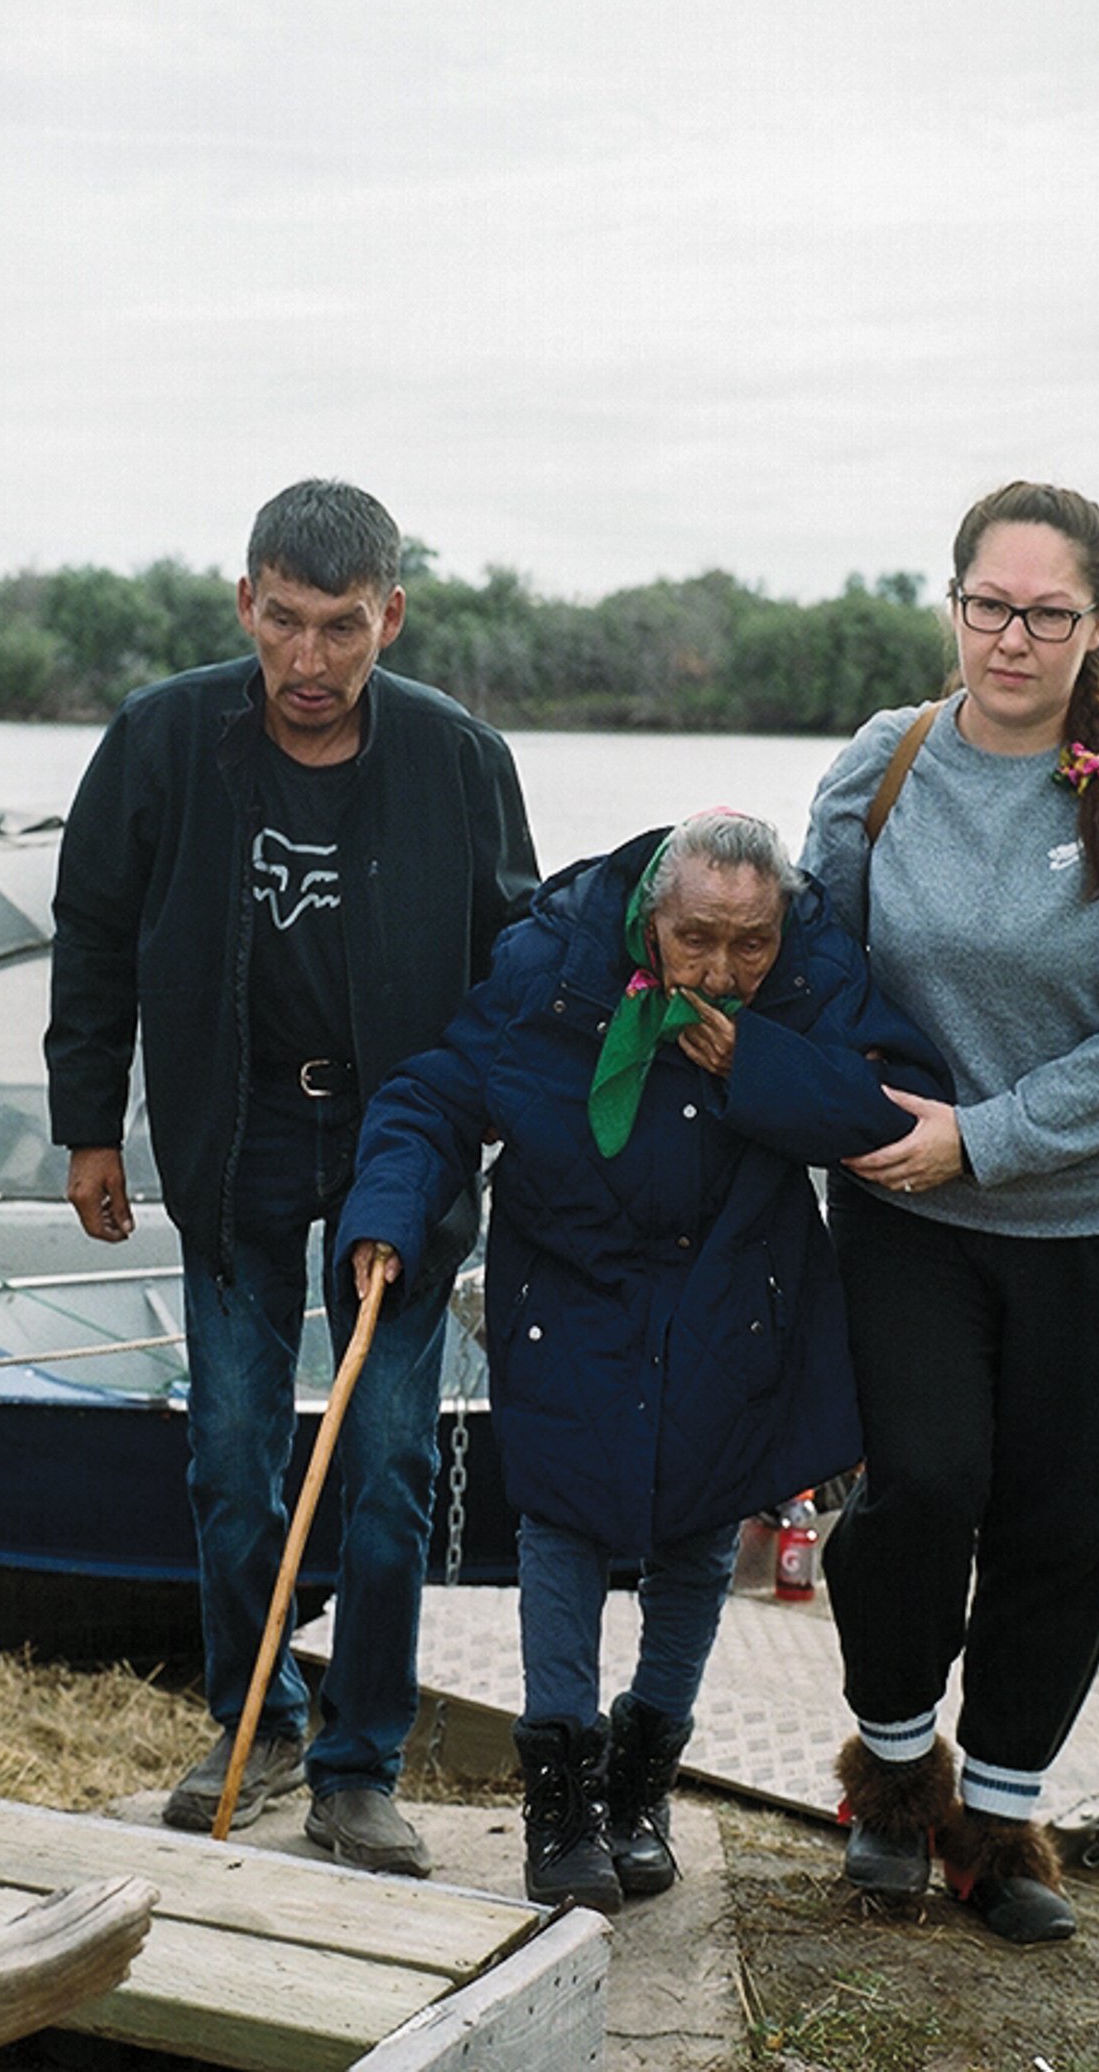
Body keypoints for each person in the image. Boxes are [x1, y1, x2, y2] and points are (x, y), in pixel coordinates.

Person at [44, 479, 537, 1877]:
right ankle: (252, 1725)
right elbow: (91, 930)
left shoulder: (459, 759)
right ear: (241, 600)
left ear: (392, 613)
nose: (307, 663)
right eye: (281, 623)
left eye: (340, 629)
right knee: (229, 1462)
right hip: (231, 1132)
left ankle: (359, 1763)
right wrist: (92, 1124)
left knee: (384, 1465)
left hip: (401, 1141)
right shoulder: (160, 738)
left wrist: (495, 1133)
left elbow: (516, 965)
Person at [336, 810, 946, 1911]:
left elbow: (888, 1109)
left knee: (701, 1531)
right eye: (696, 940)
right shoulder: (549, 961)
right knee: (561, 1526)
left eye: (749, 943)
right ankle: (560, 1803)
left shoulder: (812, 971)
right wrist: (387, 1210)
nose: (721, 969)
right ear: (645, 921)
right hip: (569, 1287)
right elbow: (434, 1095)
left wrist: (752, 1055)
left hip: (728, 1290)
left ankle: (639, 1789)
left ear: (781, 924)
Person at [799, 479, 1099, 1946]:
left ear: (1097, 622)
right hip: (907, 1215)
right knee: (916, 1489)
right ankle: (896, 1774)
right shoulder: (886, 763)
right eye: (991, 604)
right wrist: (851, 1123)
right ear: (955, 602)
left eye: (1050, 613)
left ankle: (997, 1828)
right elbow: (819, 970)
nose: (1014, 637)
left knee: (1067, 1525)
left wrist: (985, 1140)